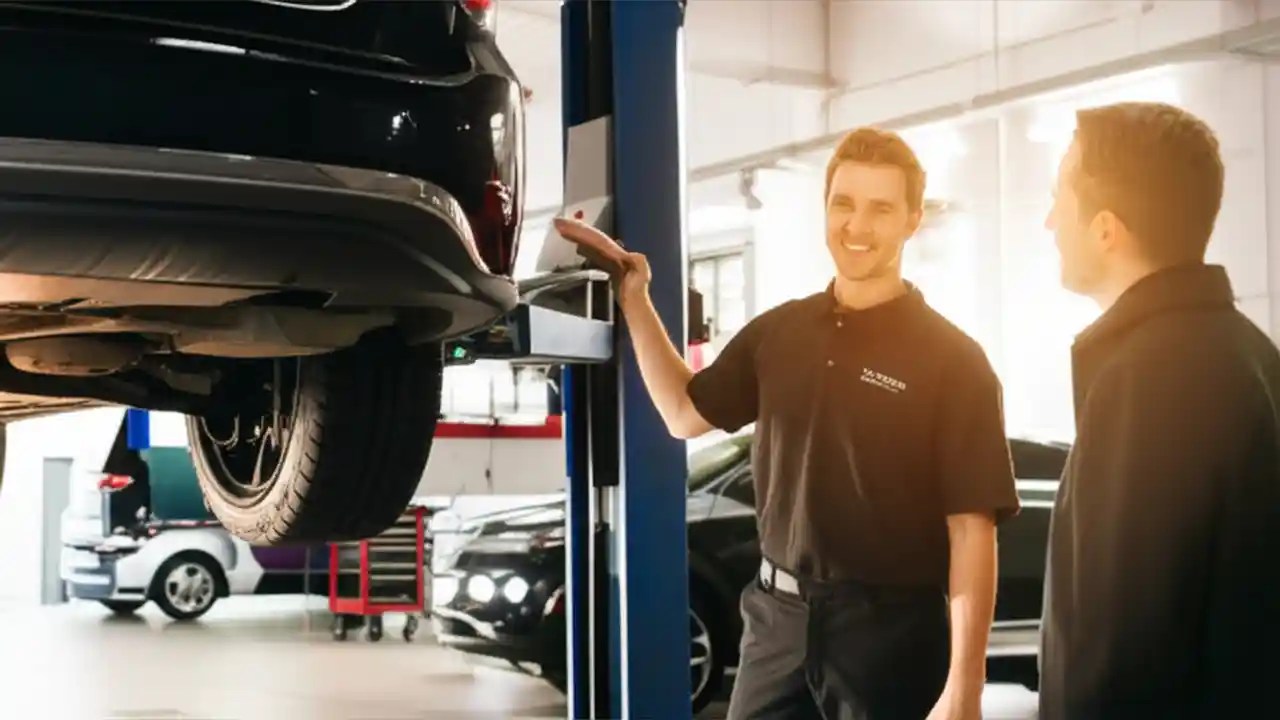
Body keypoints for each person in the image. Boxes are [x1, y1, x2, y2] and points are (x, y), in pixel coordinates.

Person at [555, 127, 1021, 720]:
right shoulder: (780, 334)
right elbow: (683, 412)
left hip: (891, 636)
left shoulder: (954, 361)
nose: (857, 226)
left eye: (881, 208)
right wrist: (634, 297)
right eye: (844, 204)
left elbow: (972, 533)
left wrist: (965, 686)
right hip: (776, 623)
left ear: (911, 221)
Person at [1038, 101, 1280, 718]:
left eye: (1059, 201)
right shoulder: (1251, 352)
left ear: (1105, 229)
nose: (1047, 223)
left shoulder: (1146, 379)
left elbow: (1119, 643)